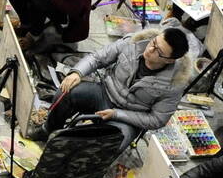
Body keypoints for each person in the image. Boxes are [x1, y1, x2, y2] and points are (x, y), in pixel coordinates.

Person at [44, 22, 196, 142]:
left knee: (115, 142)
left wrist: (117, 114)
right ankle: (47, 131)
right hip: (104, 92)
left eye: (158, 51)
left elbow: (157, 119)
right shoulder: (133, 42)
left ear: (170, 60)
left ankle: (82, 169)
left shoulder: (175, 83)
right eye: (153, 43)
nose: (150, 49)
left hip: (129, 117)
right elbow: (98, 58)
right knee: (66, 91)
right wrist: (77, 72)